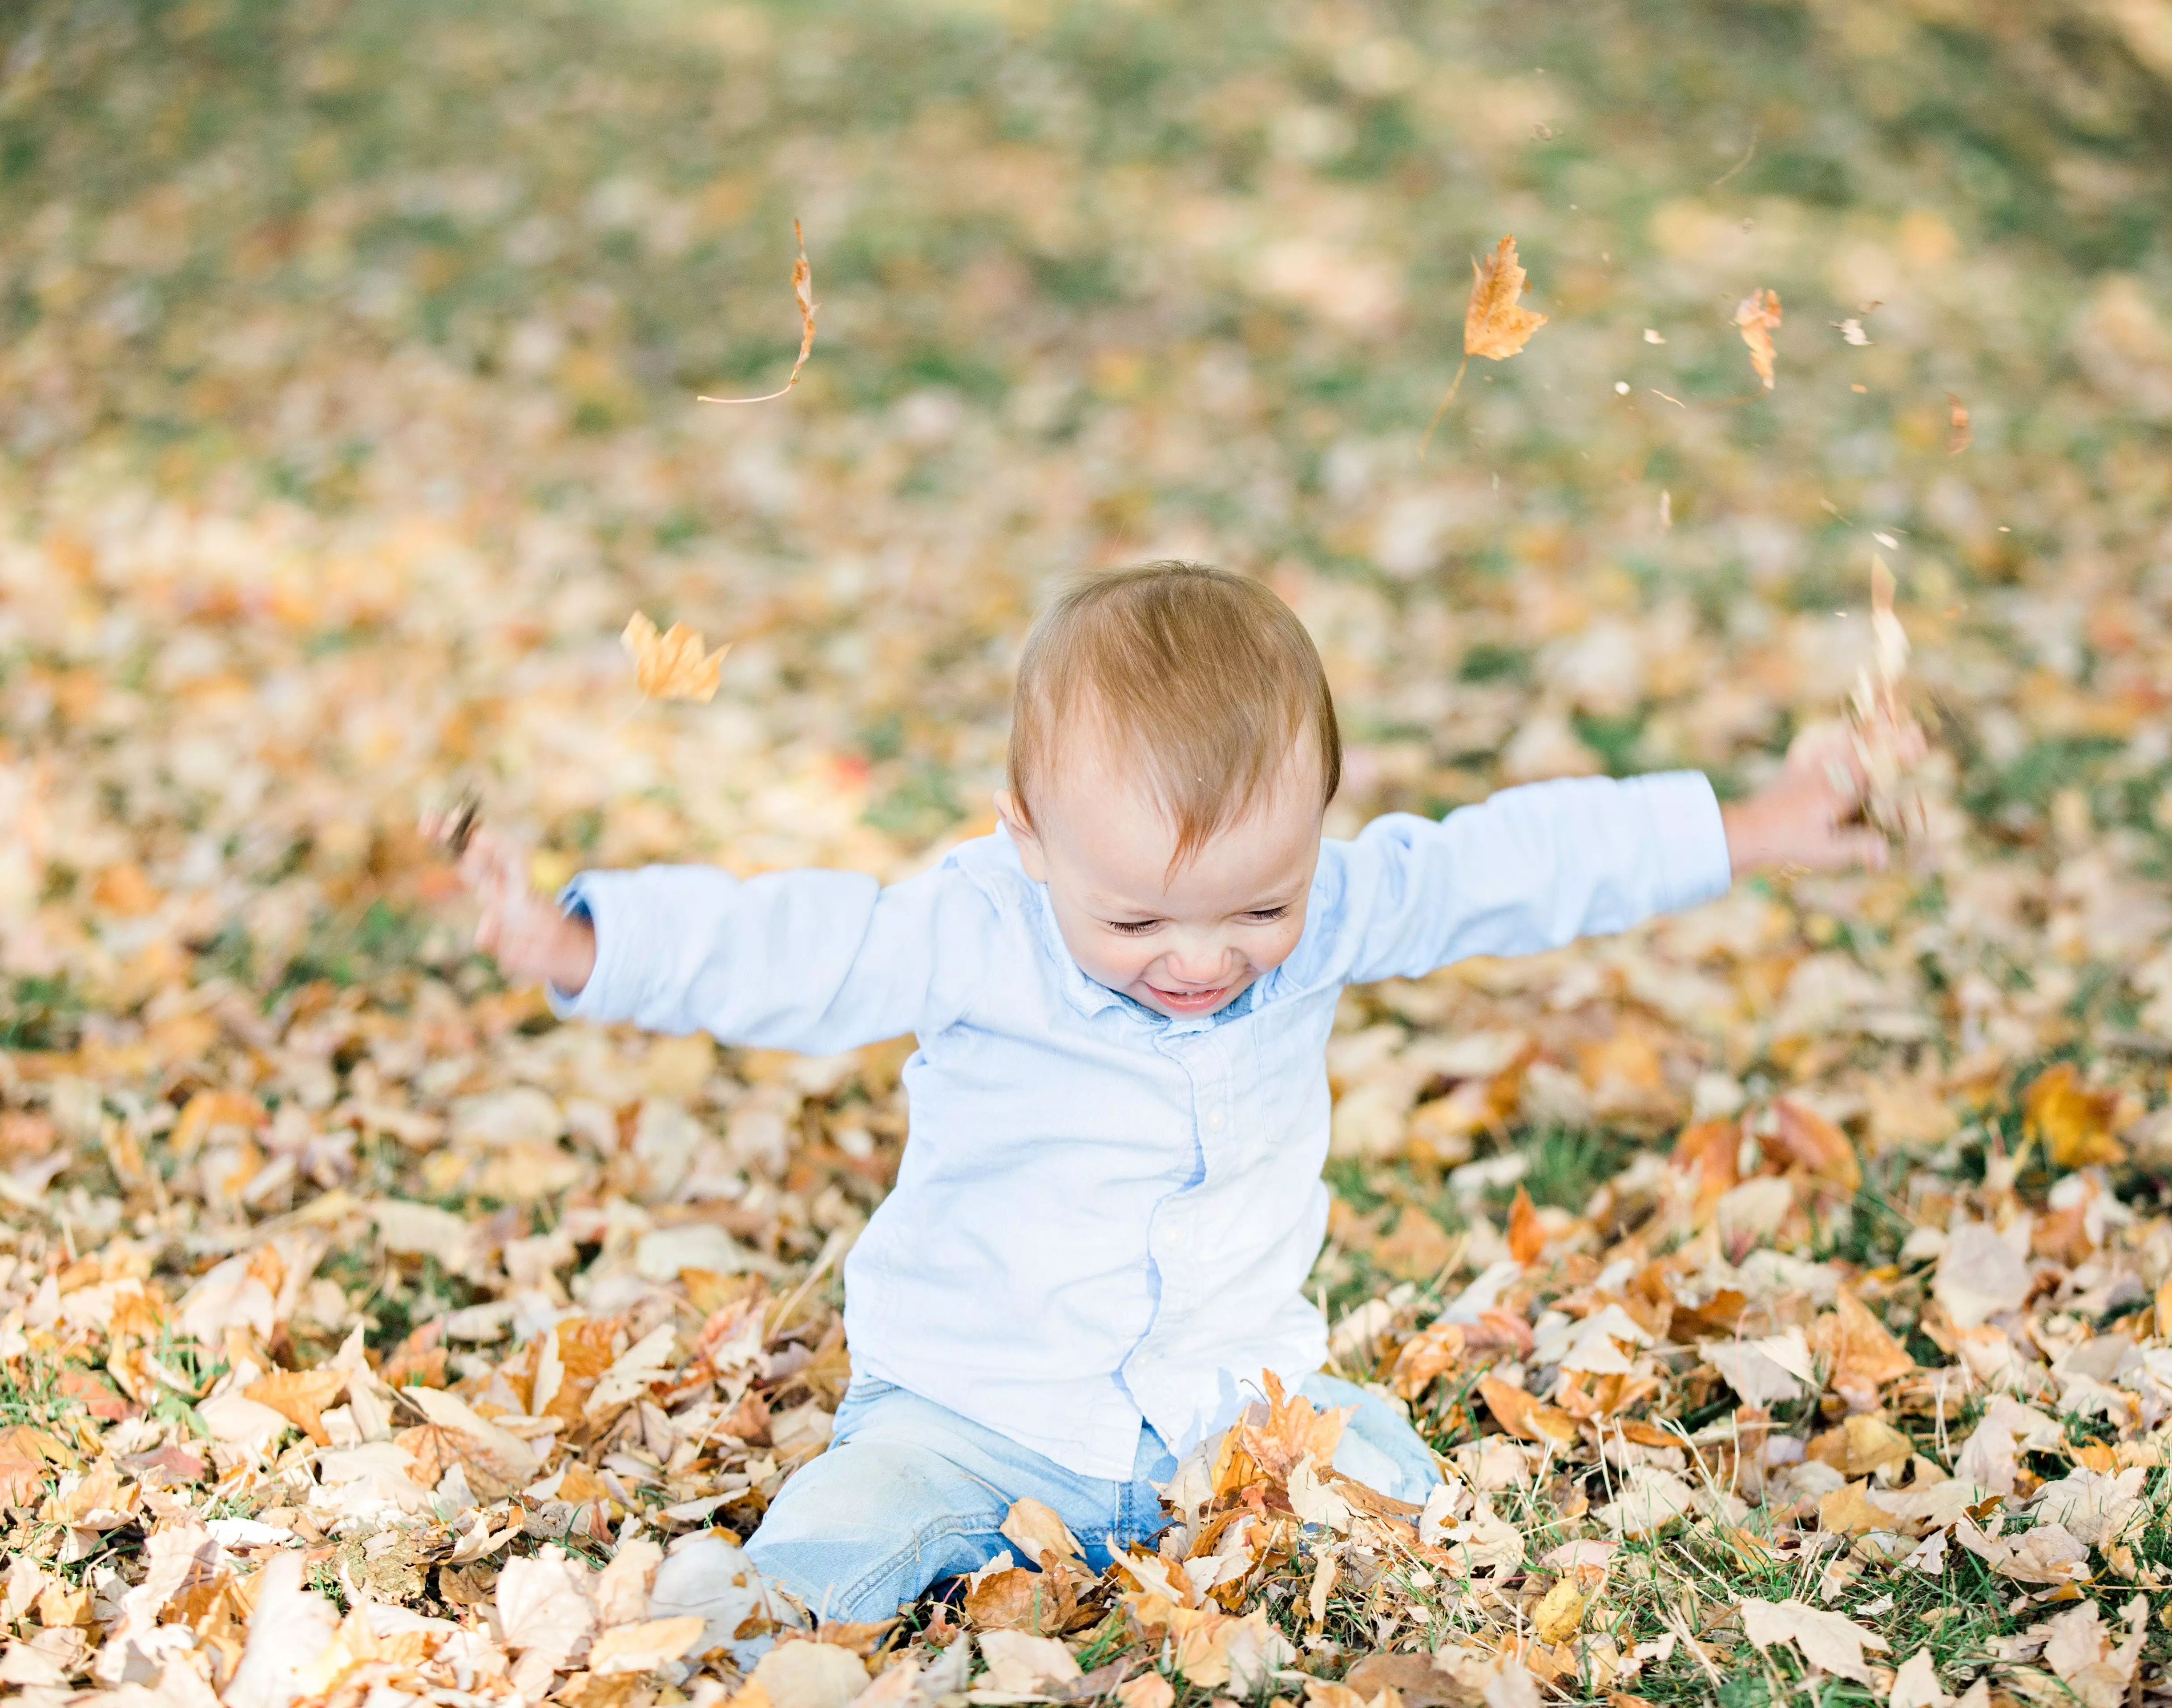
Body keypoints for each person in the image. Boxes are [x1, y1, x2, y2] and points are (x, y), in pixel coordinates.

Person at [441, 561, 1895, 1624]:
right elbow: (787, 948)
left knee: (1414, 1493)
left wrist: (1756, 825)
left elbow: (1517, 868)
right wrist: (581, 942)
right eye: (1136, 923)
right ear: (1028, 836)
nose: (1203, 958)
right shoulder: (972, 927)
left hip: (1226, 1401)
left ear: (1319, 829)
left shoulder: (1332, 908)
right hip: (974, 1404)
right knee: (846, 1536)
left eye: (1257, 907)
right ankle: (739, 1630)